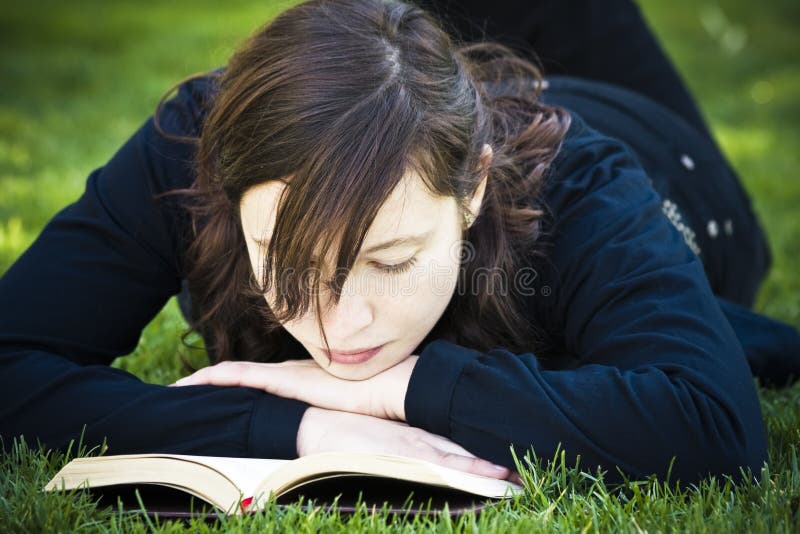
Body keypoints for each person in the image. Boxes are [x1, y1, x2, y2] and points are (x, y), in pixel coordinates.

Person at [1, 0, 798, 488]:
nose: (341, 329)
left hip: (653, 148)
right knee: (373, 50)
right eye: (284, 263)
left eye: (391, 261)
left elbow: (712, 428)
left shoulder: (585, 193)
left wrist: (398, 391)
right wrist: (300, 429)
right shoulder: (195, 143)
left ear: (473, 190)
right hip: (420, 100)